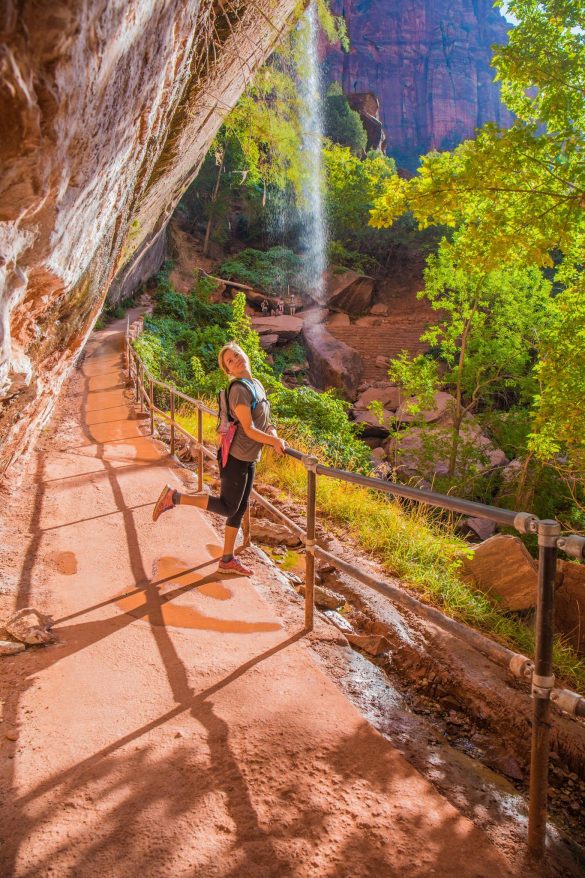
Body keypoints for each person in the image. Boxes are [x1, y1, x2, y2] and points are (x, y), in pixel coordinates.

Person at [152, 343, 286, 575]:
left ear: (245, 354)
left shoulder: (257, 384)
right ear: (228, 371)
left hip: (250, 456)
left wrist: (274, 436)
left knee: (239, 508)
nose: (236, 361)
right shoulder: (239, 390)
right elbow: (249, 427)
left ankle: (227, 560)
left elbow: (267, 422)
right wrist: (272, 442)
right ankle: (174, 497)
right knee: (227, 507)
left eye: (237, 355)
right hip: (236, 457)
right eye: (230, 362)